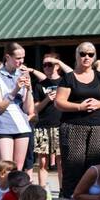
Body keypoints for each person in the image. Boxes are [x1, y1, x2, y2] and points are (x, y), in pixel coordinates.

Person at [56, 42, 100, 197]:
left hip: (99, 127)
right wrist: (80, 107)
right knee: (73, 168)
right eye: (82, 53)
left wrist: (98, 104)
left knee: (95, 168)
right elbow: (59, 102)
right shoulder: (68, 78)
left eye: (90, 54)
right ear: (76, 56)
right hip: (73, 127)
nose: (86, 57)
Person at [0, 42, 35, 173]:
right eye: (18, 58)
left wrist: (29, 88)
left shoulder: (23, 74)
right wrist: (16, 89)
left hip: (22, 125)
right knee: (6, 170)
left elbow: (27, 109)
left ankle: (16, 194)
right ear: (7, 57)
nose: (21, 61)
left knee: (18, 171)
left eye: (23, 58)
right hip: (4, 125)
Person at [30, 57, 64, 192]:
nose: (47, 67)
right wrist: (47, 99)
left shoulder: (64, 81)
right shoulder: (40, 85)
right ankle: (42, 190)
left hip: (60, 125)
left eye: (50, 64)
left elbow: (73, 72)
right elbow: (35, 109)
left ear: (57, 66)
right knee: (42, 162)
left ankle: (62, 190)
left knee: (61, 162)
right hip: (43, 126)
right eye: (44, 65)